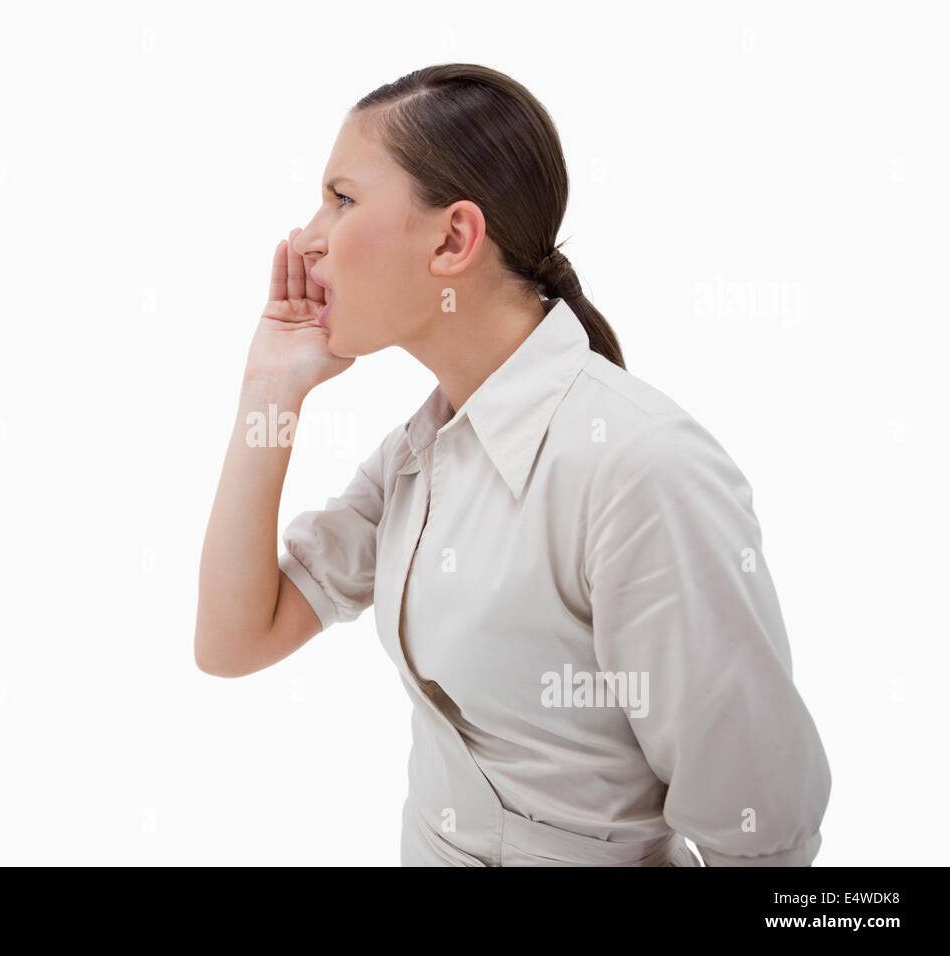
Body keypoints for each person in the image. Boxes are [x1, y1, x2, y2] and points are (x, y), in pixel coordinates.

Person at [194, 63, 830, 866]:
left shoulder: (640, 470)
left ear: (455, 238)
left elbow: (759, 833)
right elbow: (232, 641)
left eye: (343, 198)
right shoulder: (419, 453)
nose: (308, 236)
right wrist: (269, 388)